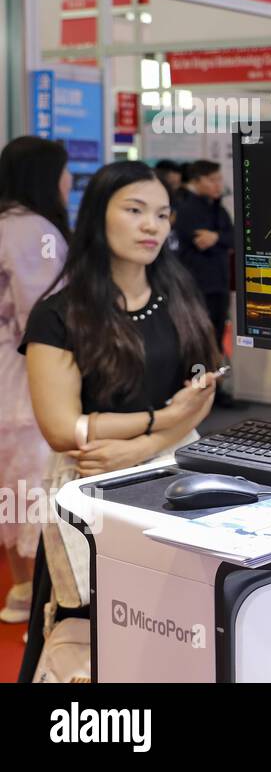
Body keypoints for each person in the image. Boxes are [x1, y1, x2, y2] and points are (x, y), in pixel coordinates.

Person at [19, 161, 222, 678]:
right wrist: (159, 419)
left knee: (177, 621)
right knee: (93, 624)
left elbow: (199, 396)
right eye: (134, 211)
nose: (152, 226)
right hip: (87, 488)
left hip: (174, 481)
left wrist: (141, 445)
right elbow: (63, 429)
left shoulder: (180, 299)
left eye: (161, 214)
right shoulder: (61, 313)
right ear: (98, 217)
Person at [0, 137, 71, 625]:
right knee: (34, 483)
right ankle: (40, 595)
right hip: (25, 376)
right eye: (66, 173)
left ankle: (21, 589)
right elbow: (41, 318)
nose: (70, 183)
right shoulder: (36, 231)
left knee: (10, 487)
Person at [172, 159, 239, 407]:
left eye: (219, 179)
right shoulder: (185, 208)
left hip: (218, 284)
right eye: (212, 180)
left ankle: (213, 389)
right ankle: (197, 390)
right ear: (196, 181)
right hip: (195, 286)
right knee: (197, 342)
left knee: (217, 337)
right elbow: (196, 240)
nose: (218, 185)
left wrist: (217, 237)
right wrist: (218, 239)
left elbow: (234, 237)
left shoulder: (218, 209)